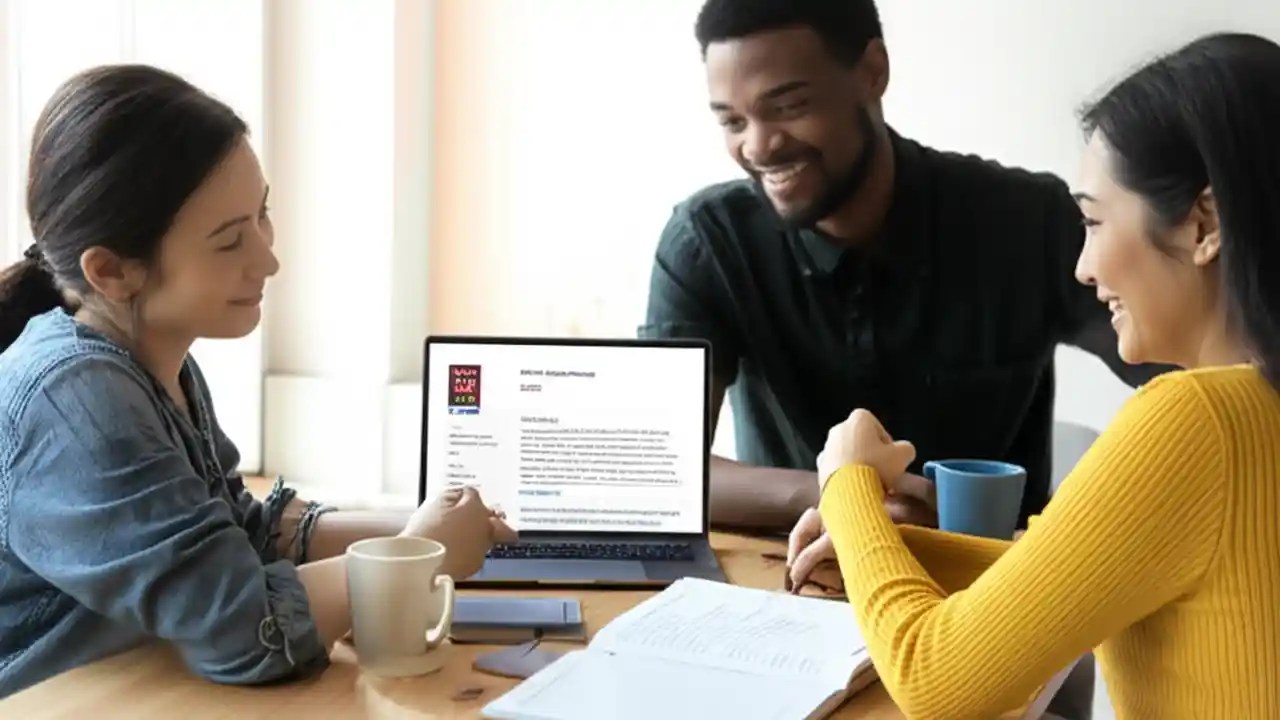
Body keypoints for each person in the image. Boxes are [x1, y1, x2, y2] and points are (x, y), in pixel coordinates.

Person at [798, 31, 1280, 719]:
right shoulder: (1254, 414)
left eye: (1093, 221)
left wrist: (849, 483)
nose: (1084, 268)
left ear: (1204, 222)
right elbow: (1086, 573)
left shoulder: (1197, 421)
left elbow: (939, 683)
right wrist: (880, 546)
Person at [0, 64, 513, 698]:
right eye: (228, 241)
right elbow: (245, 629)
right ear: (111, 271)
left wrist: (428, 521)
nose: (268, 258)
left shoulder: (155, 361)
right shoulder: (75, 400)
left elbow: (242, 535)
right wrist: (416, 552)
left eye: (261, 215)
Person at [640, 0, 1169, 540]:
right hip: (791, 582)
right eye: (732, 120)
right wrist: (842, 491)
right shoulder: (709, 244)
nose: (757, 145)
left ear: (873, 72)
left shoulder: (1029, 222)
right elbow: (659, 471)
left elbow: (1197, 376)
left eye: (789, 105)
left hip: (994, 595)